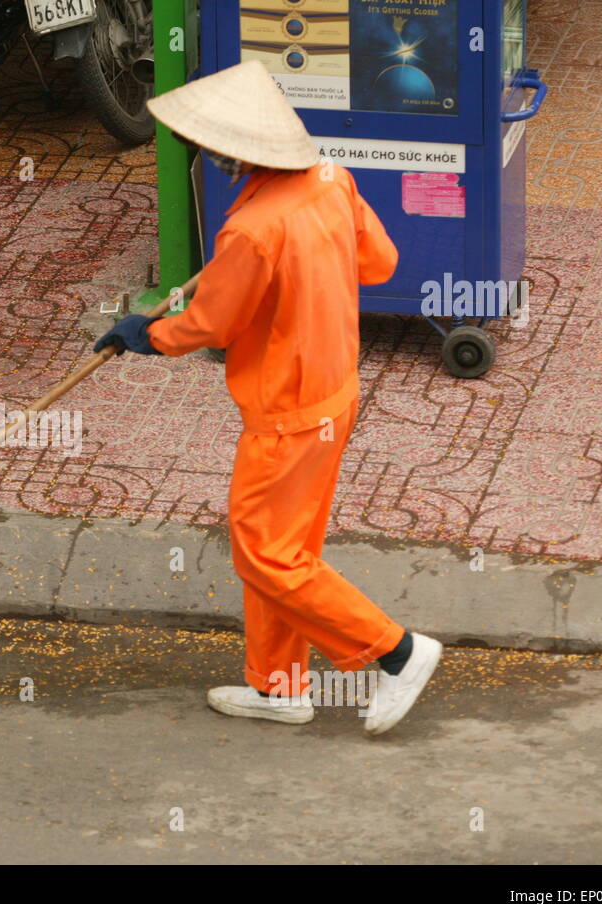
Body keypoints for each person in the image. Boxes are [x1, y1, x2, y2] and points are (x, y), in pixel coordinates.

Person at [94, 60, 441, 736]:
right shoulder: (330, 181)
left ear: (236, 153)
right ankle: (279, 686)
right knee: (288, 553)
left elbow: (210, 327)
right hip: (334, 393)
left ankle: (394, 651)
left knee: (264, 554)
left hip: (285, 415)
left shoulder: (250, 231)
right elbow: (380, 265)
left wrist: (147, 333)